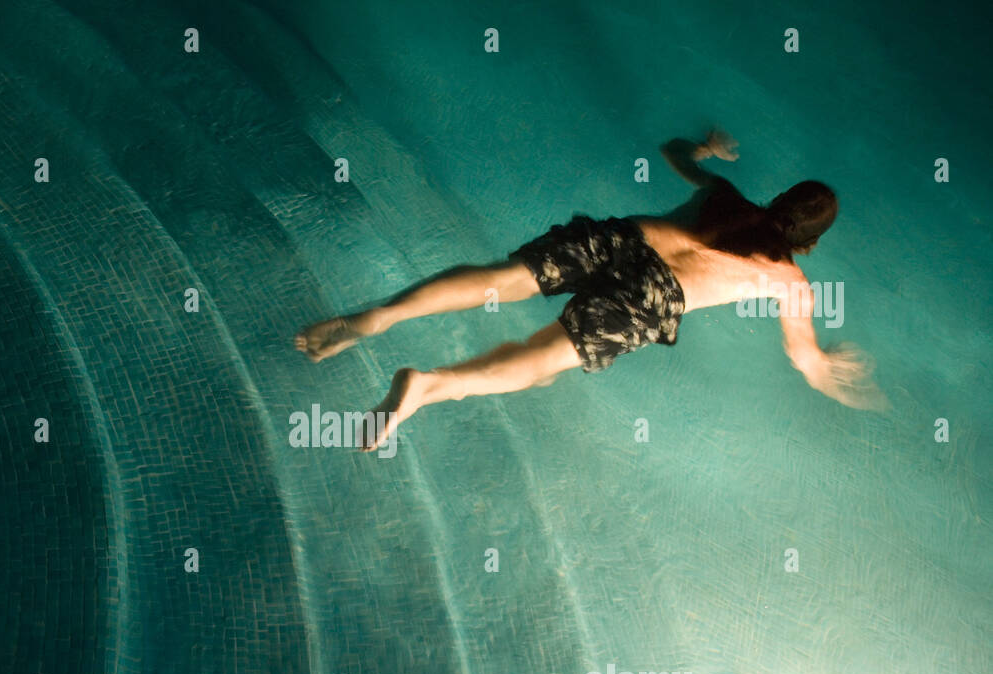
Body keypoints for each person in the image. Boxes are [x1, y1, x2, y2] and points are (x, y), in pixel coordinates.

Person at [295, 130, 885, 451]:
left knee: (500, 279)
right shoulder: (789, 280)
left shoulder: (721, 193)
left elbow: (672, 150)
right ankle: (428, 387)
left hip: (623, 238)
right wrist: (830, 369)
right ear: (810, 239)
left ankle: (380, 315)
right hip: (651, 294)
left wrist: (705, 146)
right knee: (540, 360)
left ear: (781, 198)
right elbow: (803, 359)